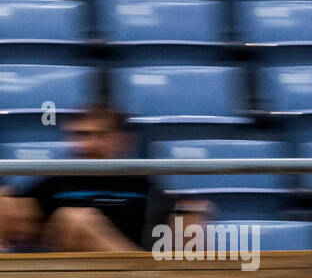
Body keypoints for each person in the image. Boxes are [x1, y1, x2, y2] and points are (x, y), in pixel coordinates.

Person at [0, 104, 205, 252]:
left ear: (122, 141)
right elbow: (20, 215)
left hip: (132, 268)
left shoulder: (141, 184)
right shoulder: (57, 182)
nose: (85, 146)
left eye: (97, 136)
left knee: (189, 214)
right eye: (78, 136)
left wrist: (188, 213)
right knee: (75, 221)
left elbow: (175, 225)